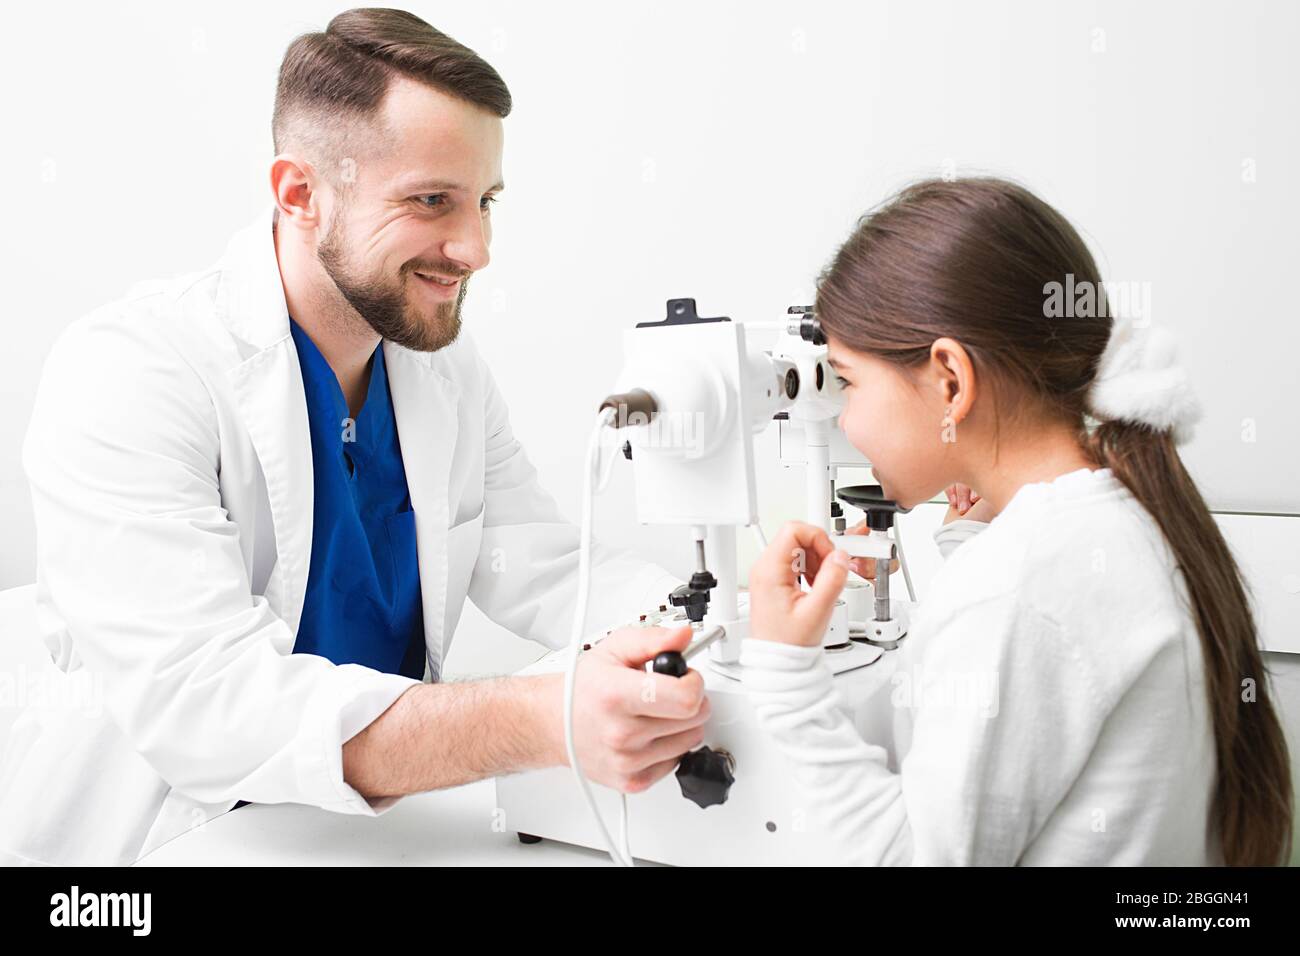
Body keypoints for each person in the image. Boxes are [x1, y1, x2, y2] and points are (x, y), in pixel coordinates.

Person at [0, 9, 708, 867]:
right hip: (169, 840)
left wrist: (708, 619)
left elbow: (543, 562)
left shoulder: (440, 367)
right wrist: (542, 716)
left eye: (485, 202)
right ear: (300, 194)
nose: (476, 248)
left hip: (357, 827)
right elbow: (215, 707)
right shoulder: (132, 371)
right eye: (431, 201)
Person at [743, 177, 1293, 865]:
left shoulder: (1018, 586)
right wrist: (974, 549)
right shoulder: (1117, 515)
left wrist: (786, 677)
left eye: (848, 382)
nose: (845, 421)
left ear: (950, 379)